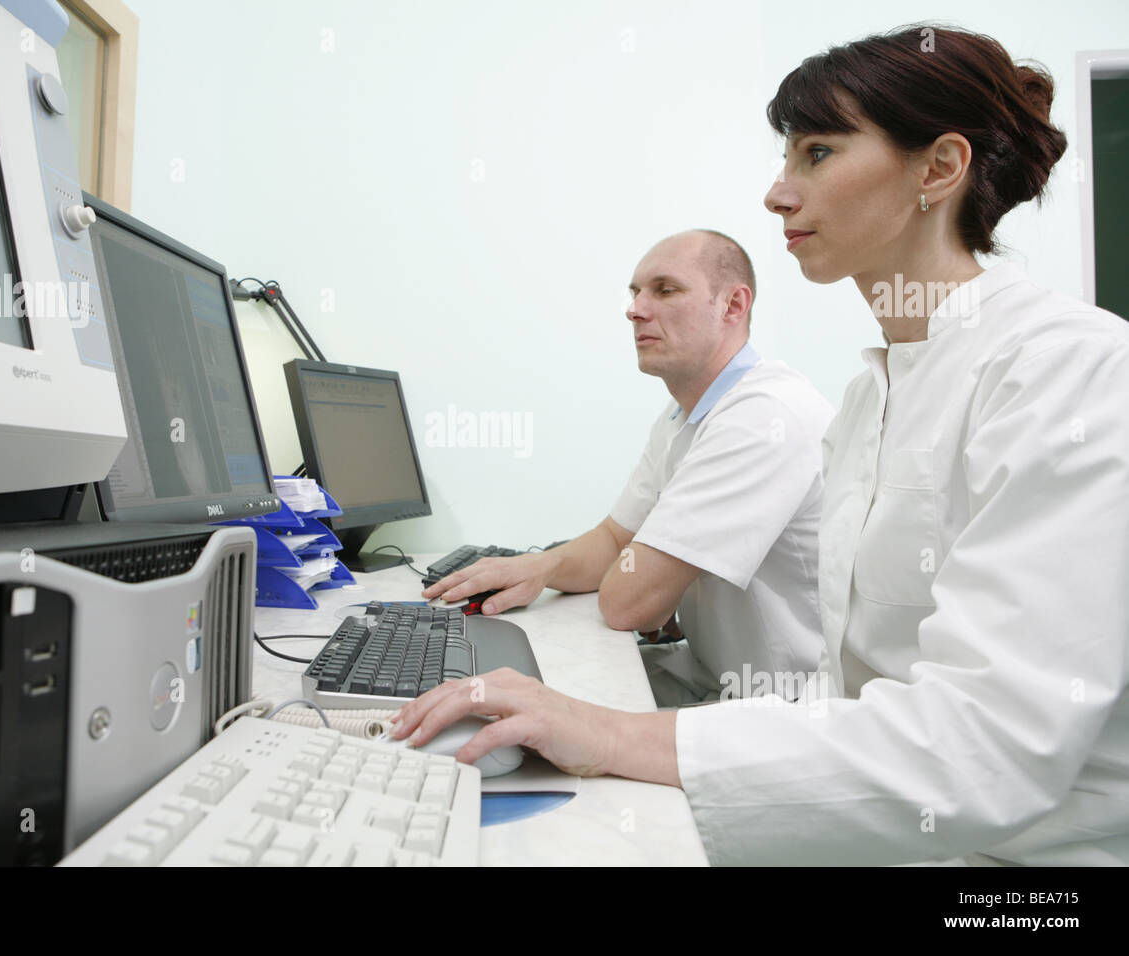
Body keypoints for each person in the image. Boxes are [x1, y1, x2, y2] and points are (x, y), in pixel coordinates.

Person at [393, 24, 1129, 865]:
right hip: (891, 814)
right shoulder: (871, 395)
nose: (778, 194)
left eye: (817, 153)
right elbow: (851, 690)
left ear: (939, 169)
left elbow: (982, 753)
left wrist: (613, 734)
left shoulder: (1068, 371)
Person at [422, 229, 834, 704]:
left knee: (524, 712)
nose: (635, 309)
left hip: (784, 710)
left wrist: (638, 581)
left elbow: (628, 604)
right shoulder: (681, 418)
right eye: (635, 292)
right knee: (516, 685)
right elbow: (615, 540)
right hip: (714, 679)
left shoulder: (765, 416)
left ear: (733, 306)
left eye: (665, 290)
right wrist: (539, 566)